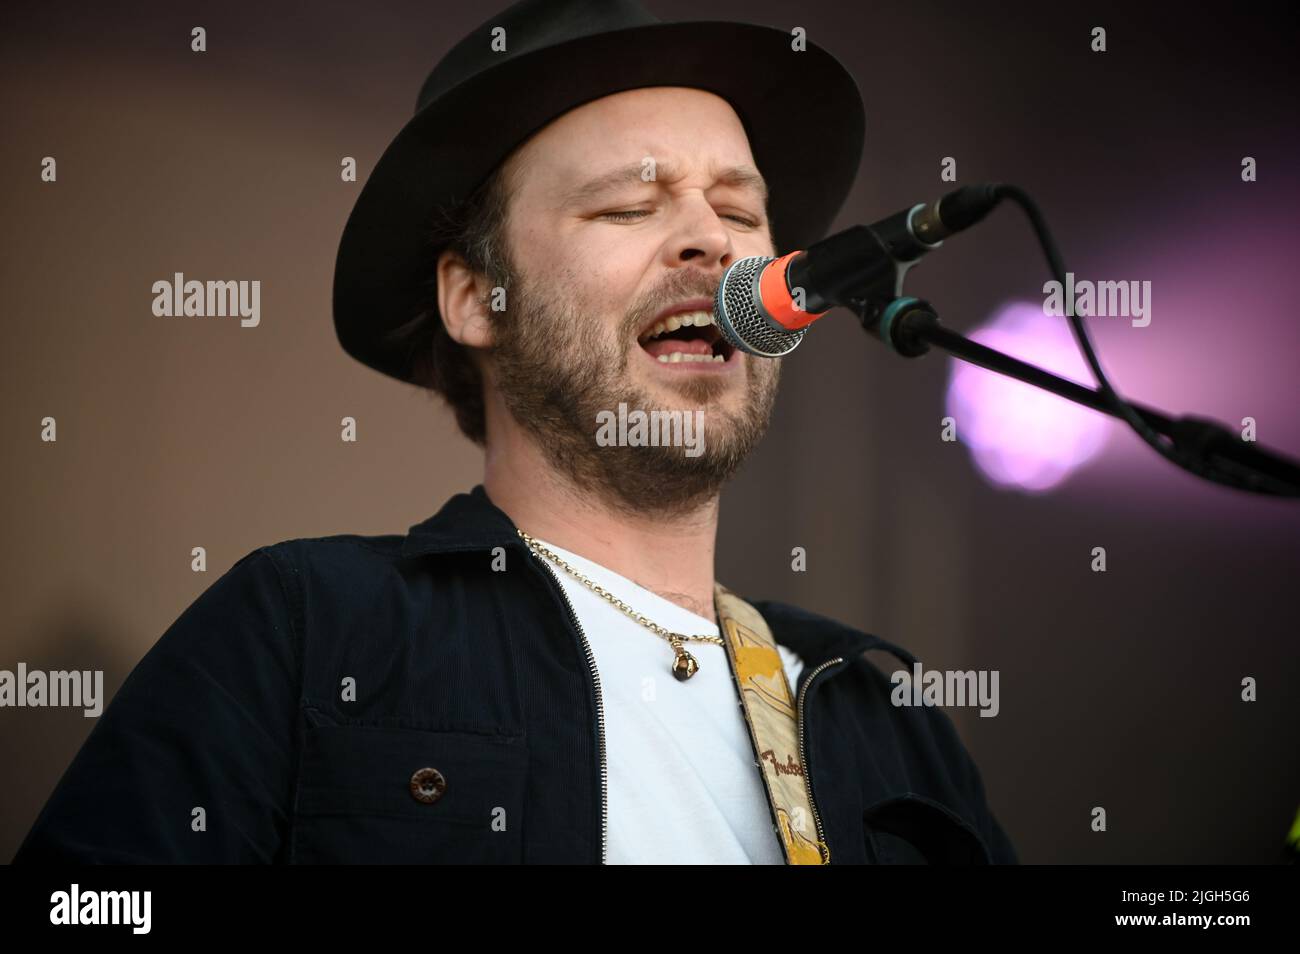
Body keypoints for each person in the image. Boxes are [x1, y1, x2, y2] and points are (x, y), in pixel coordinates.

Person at [13, 0, 1016, 864]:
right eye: (630, 202)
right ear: (475, 298)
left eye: (736, 209)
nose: (711, 238)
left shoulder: (872, 713)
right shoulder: (306, 628)